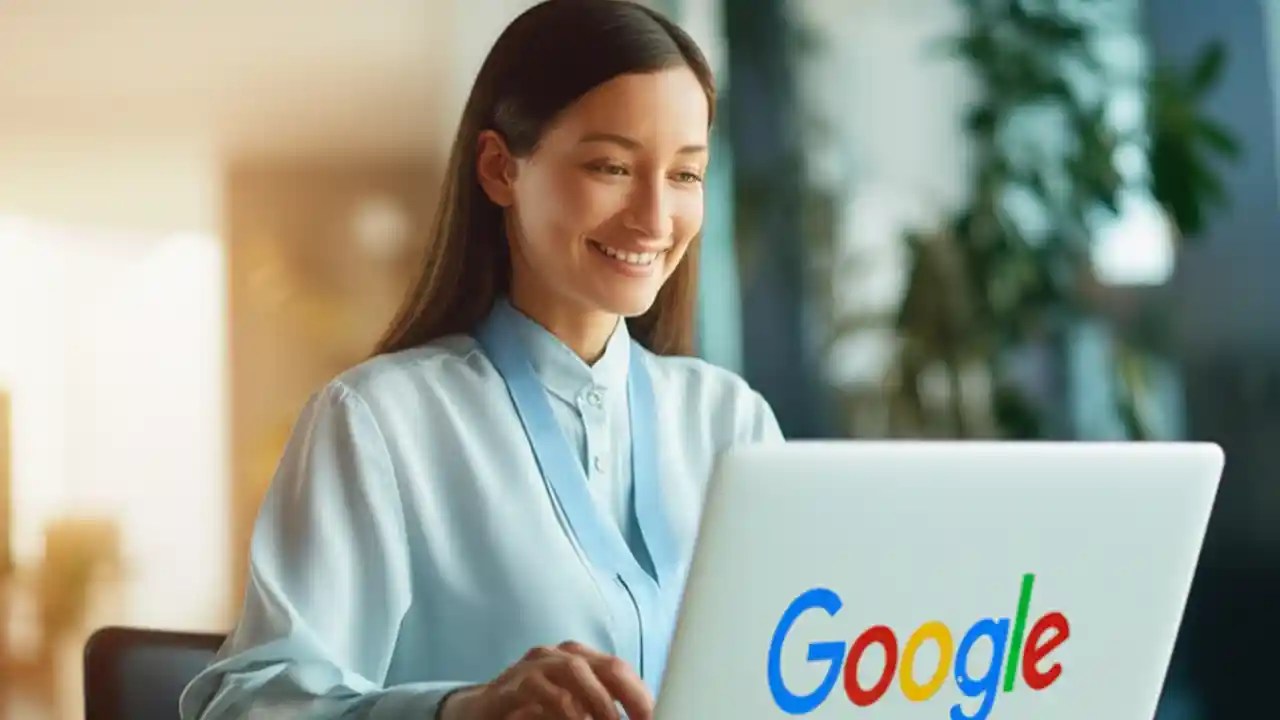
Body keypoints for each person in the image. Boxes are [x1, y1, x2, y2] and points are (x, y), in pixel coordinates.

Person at [180, 1, 781, 718]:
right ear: (500, 169)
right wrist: (465, 709)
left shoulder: (730, 422)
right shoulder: (381, 423)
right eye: (611, 166)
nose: (654, 218)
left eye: (685, 175)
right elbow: (248, 706)